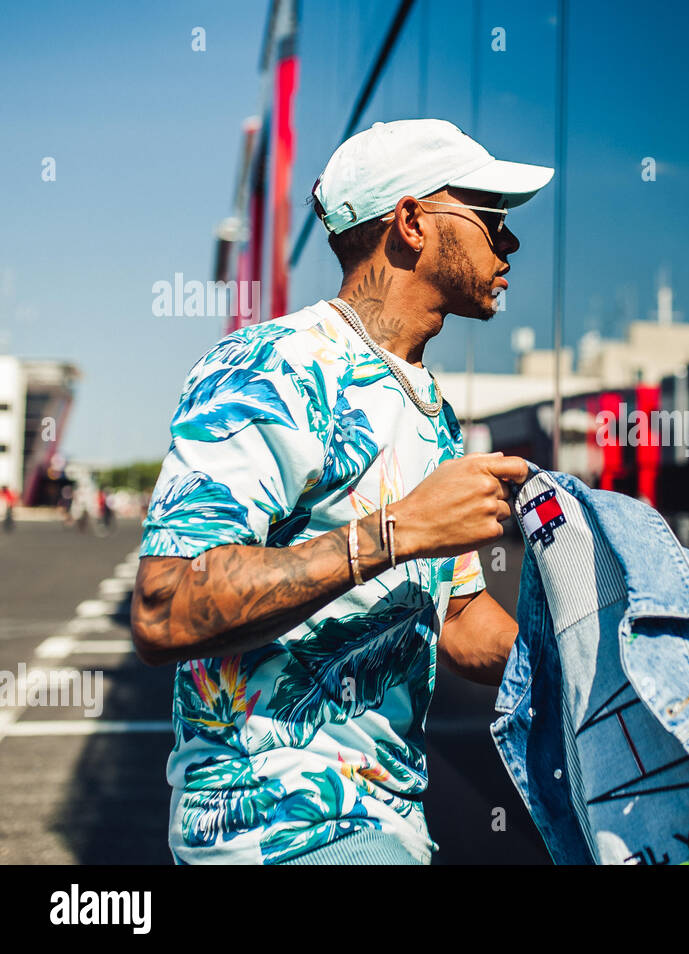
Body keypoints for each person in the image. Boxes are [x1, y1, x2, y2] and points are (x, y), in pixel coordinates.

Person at [130, 119, 553, 865]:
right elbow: (165, 608)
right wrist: (395, 532)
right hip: (276, 824)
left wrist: (585, 666)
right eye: (490, 216)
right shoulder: (273, 367)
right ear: (412, 221)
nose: (510, 241)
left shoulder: (430, 412)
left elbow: (458, 621)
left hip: (388, 822)